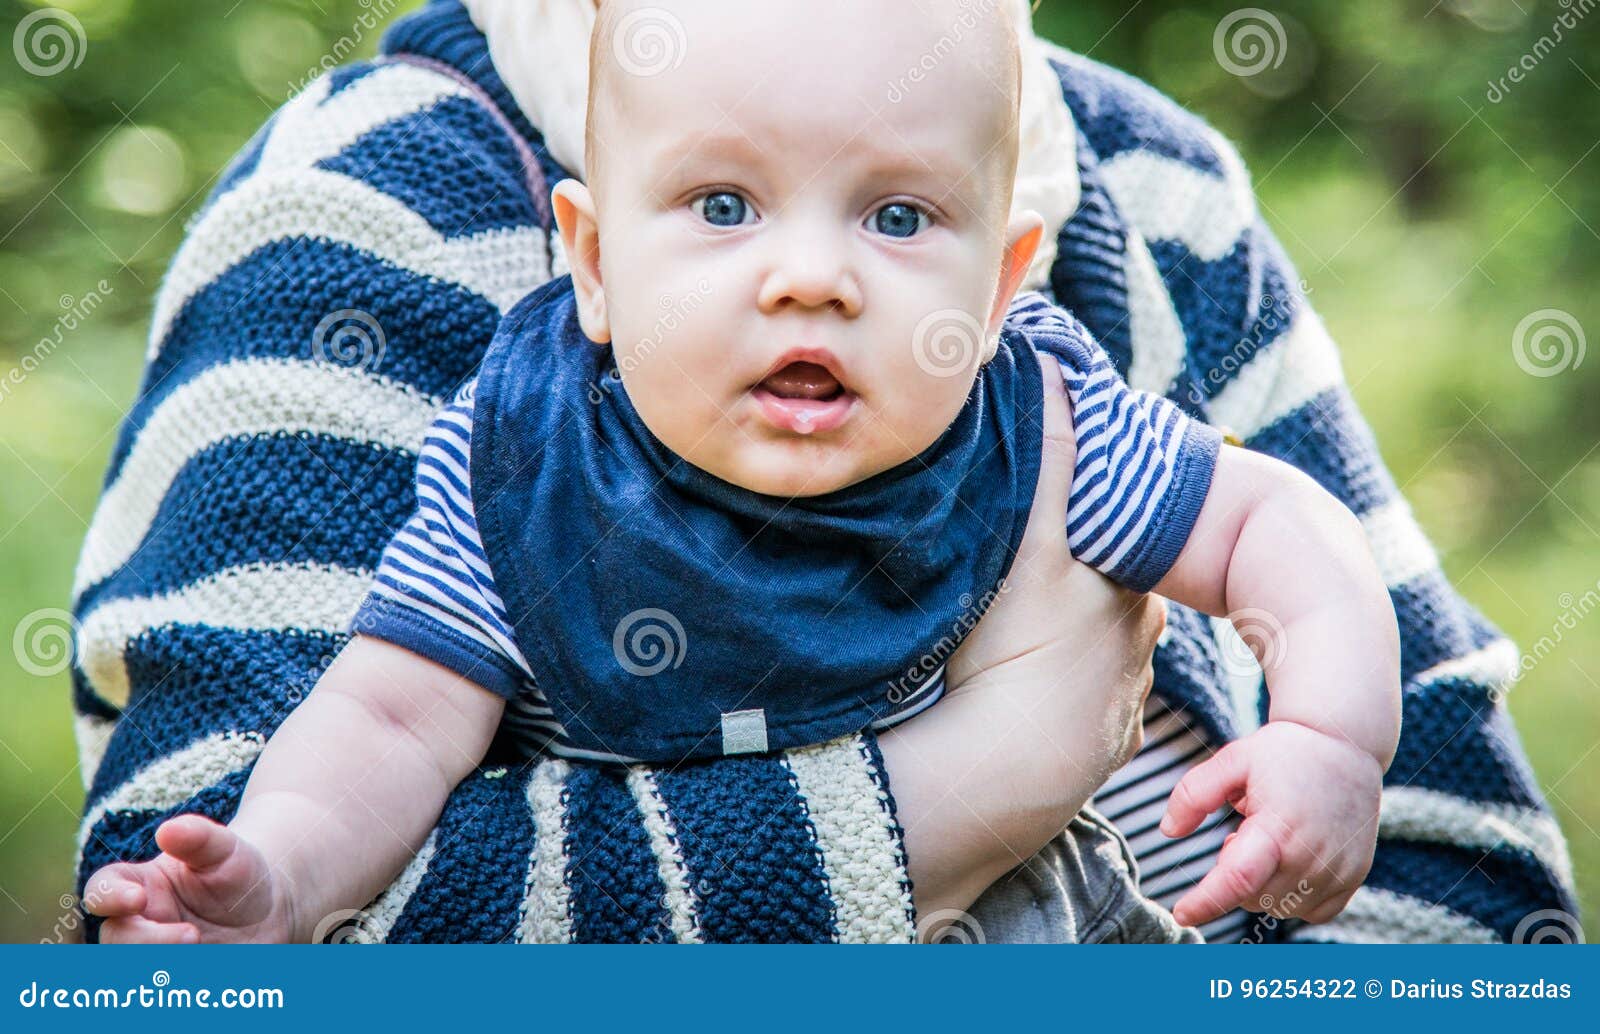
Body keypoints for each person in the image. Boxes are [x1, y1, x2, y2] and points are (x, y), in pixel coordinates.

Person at [70, 0, 1576, 943]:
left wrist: (1327, 736)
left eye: (902, 219)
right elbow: (220, 945)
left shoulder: (1127, 239)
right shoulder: (397, 261)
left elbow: (1478, 916)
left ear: (1009, 274)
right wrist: (980, 778)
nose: (812, 278)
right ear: (589, 260)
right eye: (723, 203)